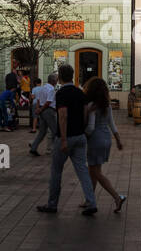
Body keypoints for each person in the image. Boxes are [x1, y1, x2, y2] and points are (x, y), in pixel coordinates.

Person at [38, 63, 98, 215]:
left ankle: (52, 204)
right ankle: (91, 202)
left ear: (59, 77)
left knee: (56, 171)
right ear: (72, 76)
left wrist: (64, 139)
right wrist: (82, 129)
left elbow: (63, 116)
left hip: (66, 137)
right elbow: (85, 113)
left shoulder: (61, 94)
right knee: (83, 171)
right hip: (80, 136)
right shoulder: (80, 93)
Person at [83, 77, 127, 212]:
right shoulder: (107, 105)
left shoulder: (92, 106)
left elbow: (90, 128)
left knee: (96, 173)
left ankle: (117, 197)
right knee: (94, 171)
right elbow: (112, 125)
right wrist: (118, 140)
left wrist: (82, 134)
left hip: (95, 140)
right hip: (106, 138)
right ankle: (89, 200)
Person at [29, 73, 58, 156]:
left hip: (42, 110)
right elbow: (48, 102)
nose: (57, 80)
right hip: (48, 111)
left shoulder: (43, 88)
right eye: (56, 79)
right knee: (55, 131)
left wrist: (38, 109)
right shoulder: (51, 89)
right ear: (54, 81)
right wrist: (41, 109)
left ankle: (33, 147)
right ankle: (55, 150)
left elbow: (38, 99)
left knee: (42, 131)